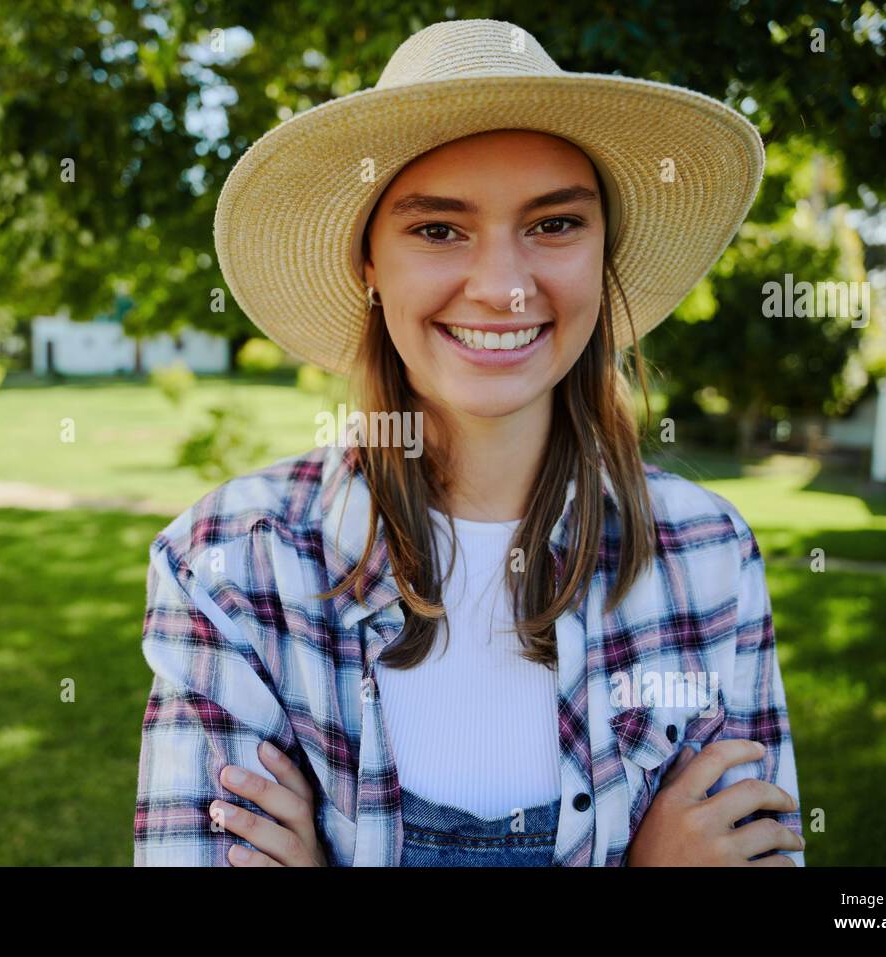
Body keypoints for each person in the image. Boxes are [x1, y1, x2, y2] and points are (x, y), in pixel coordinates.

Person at [134, 17, 805, 867]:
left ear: (604, 253)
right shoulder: (233, 564)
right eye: (438, 230)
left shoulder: (708, 555)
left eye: (554, 224)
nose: (502, 288)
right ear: (369, 265)